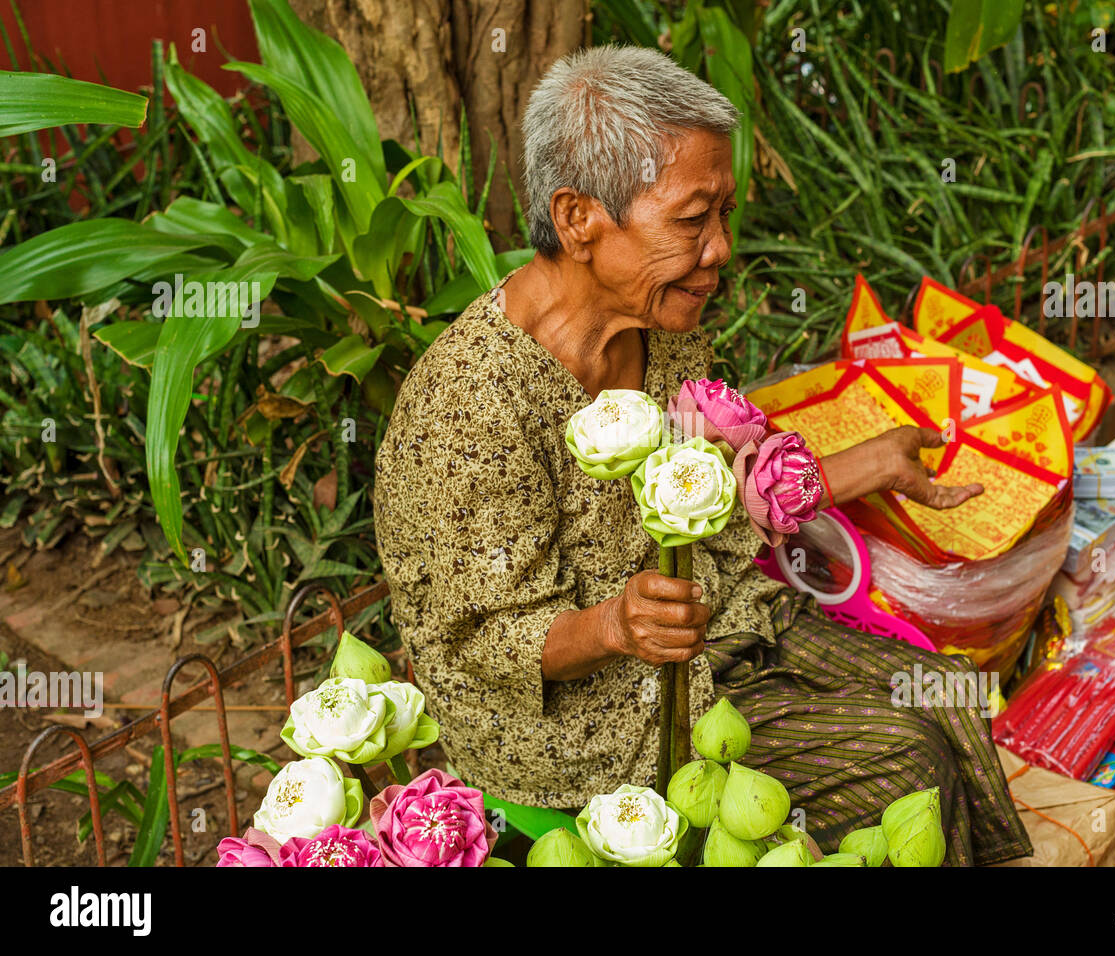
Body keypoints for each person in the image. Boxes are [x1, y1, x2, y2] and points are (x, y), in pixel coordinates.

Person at [374, 45, 1031, 865]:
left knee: (952, 700)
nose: (719, 248)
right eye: (692, 219)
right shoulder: (472, 402)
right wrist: (614, 624)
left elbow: (708, 495)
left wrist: (860, 466)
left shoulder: (660, 327)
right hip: (590, 719)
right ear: (579, 218)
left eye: (723, 215)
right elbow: (477, 637)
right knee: (904, 760)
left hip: (718, 628)